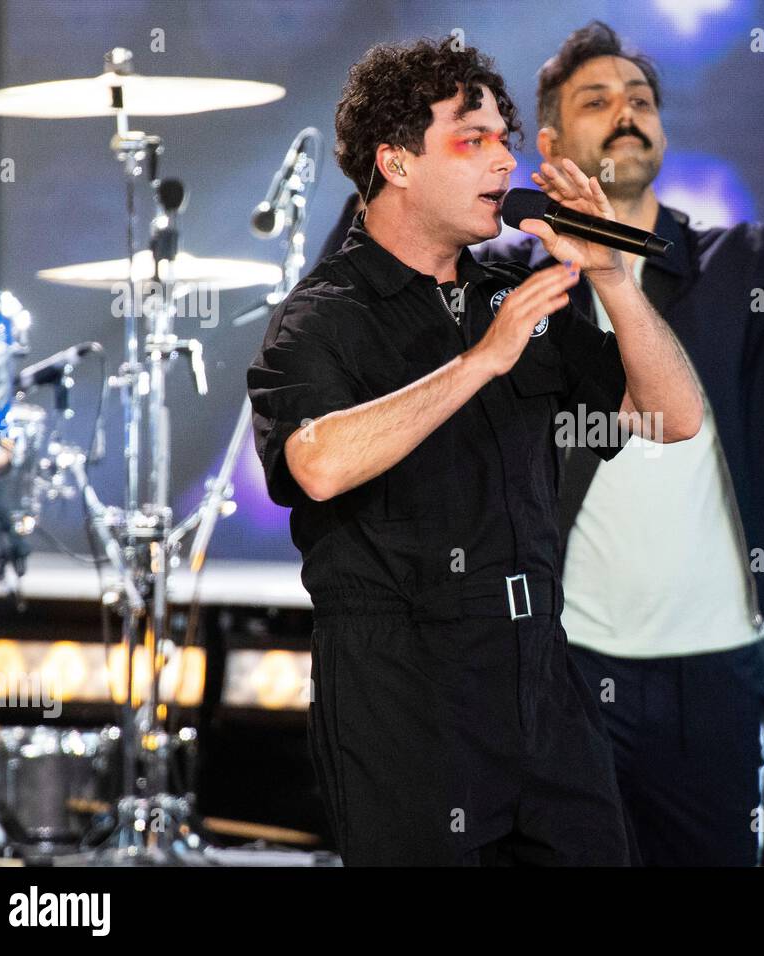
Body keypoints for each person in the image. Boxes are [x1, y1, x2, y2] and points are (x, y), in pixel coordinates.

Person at [317, 21, 764, 866]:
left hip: (716, 669)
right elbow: (359, 321)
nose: (626, 113)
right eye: (598, 101)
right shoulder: (503, 280)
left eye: (642, 101)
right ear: (546, 143)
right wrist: (397, 163)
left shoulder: (750, 265)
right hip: (555, 667)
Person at [248, 37, 702, 866]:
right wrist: (483, 359)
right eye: (472, 140)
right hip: (405, 683)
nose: (505, 160)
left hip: (540, 669)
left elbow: (673, 418)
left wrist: (611, 280)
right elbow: (316, 462)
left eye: (505, 138)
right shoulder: (324, 316)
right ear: (396, 163)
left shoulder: (513, 290)